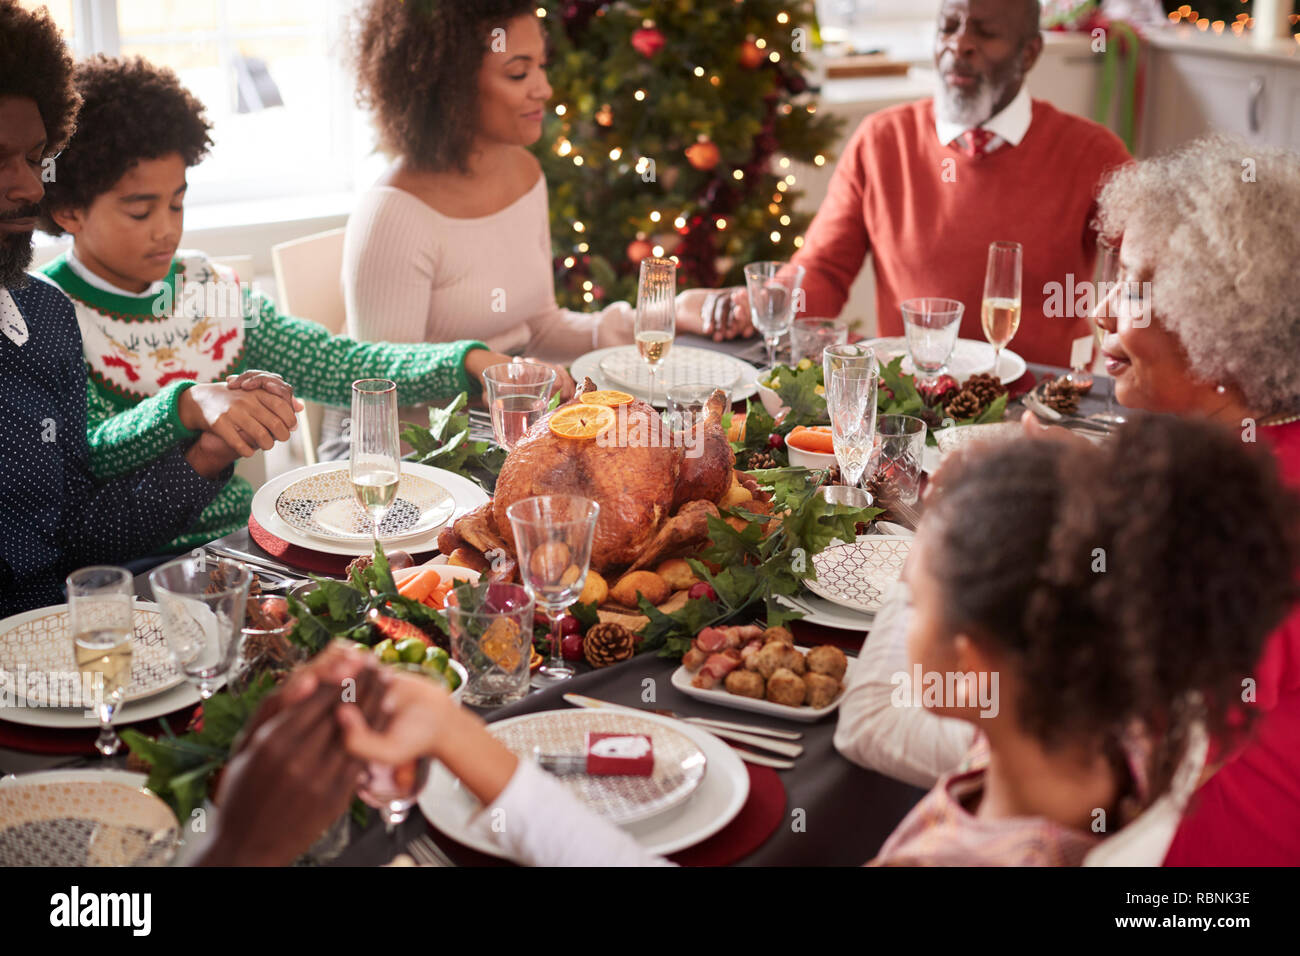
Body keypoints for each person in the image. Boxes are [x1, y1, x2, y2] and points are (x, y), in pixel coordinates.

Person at [205, 418, 1297, 867]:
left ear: (962, 658)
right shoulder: (1126, 733)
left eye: (911, 581)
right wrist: (461, 735)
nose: (895, 591)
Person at [37, 56, 526, 551]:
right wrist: (185, 406)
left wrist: (466, 361)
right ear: (68, 210)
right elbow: (86, 454)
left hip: (241, 547)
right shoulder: (45, 315)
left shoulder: (209, 291)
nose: (166, 228)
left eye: (177, 203)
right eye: (140, 210)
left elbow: (333, 362)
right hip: (124, 566)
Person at [1035, 134, 1300, 865]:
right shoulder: (1244, 448)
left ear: (1224, 322)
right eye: (1118, 274)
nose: (1104, 306)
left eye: (1142, 287)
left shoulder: (1246, 514)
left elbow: (1105, 738)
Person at [0, 0, 247, 615]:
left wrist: (208, 455)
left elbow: (81, 538)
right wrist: (185, 408)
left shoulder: (44, 322)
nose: (30, 186)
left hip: (72, 637)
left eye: (35, 159)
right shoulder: (73, 310)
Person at [343, 0, 746, 369]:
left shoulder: (524, 172)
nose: (544, 89)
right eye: (518, 72)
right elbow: (384, 392)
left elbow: (539, 328)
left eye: (541, 65)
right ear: (447, 85)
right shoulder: (393, 216)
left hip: (510, 414)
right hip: (424, 440)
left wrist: (664, 314)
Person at [737, 0, 1131, 367]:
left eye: (985, 33)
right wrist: (772, 301)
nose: (959, 45)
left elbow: (1142, 276)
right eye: (947, 28)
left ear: (1029, 53)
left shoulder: (1092, 153)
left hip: (1040, 405)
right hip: (914, 398)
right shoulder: (881, 139)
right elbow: (824, 269)